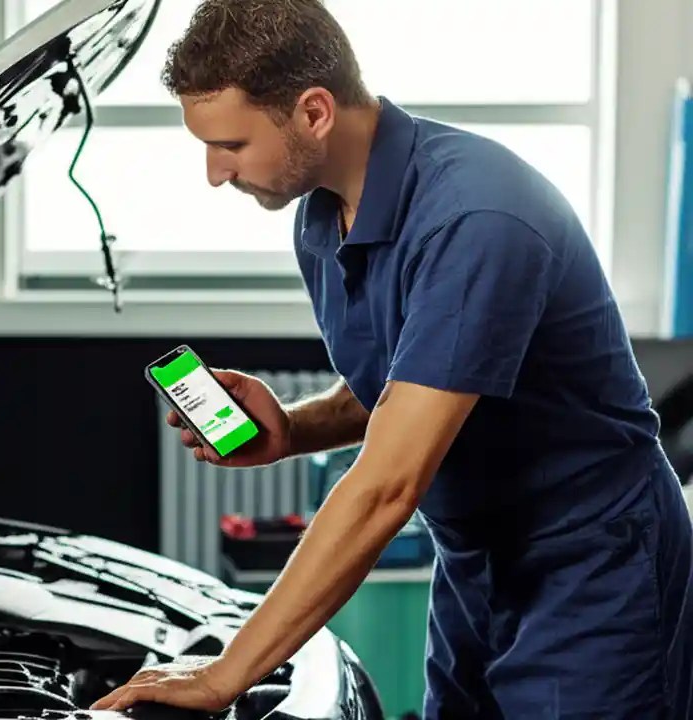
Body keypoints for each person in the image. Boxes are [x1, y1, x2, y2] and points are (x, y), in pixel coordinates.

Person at [89, 1, 693, 717]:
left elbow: (385, 485)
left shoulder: (479, 217)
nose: (216, 173)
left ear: (314, 112)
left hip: (596, 571)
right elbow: (409, 381)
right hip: (474, 566)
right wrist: (295, 427)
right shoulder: (322, 212)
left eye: (231, 145)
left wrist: (227, 674)